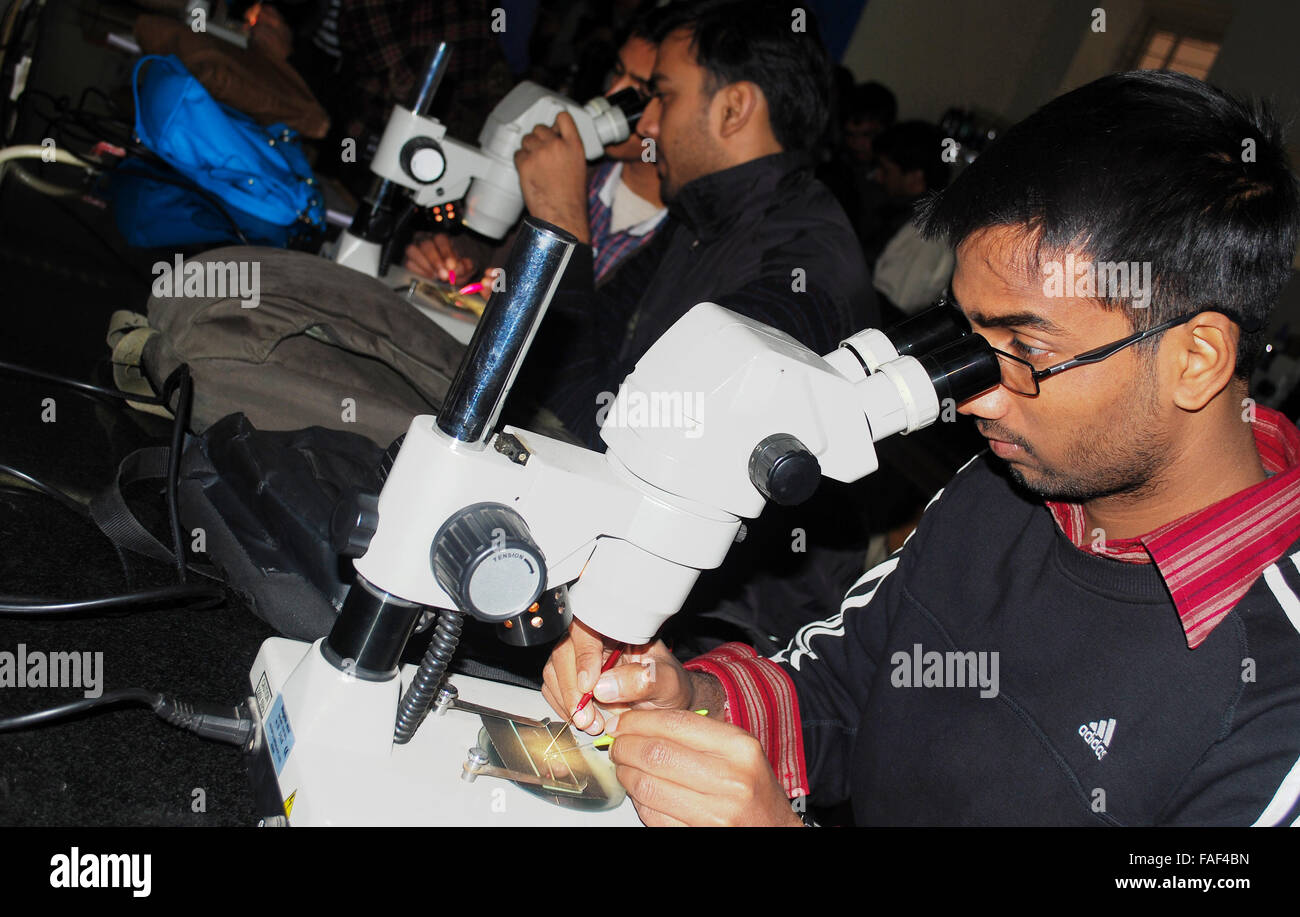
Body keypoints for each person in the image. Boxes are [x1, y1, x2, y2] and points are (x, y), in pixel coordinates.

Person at [541, 70, 1300, 826]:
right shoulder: (1004, 486)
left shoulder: (1274, 705)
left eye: (1023, 346)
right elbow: (838, 692)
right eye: (971, 334)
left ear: (1196, 359)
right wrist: (690, 702)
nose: (975, 396)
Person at [499, 0, 874, 450]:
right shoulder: (703, 215)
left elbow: (628, 437)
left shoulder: (798, 275)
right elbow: (590, 348)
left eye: (665, 95)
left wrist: (561, 224)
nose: (650, 125)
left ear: (733, 109)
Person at [404, 13, 668, 289]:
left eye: (639, 91)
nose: (612, 92)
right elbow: (484, 242)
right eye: (617, 72)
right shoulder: (563, 164)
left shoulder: (679, 244)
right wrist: (450, 256)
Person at [870, 120, 954, 321]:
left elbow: (891, 309)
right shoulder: (905, 215)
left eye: (885, 170)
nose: (878, 177)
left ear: (915, 179)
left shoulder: (926, 234)